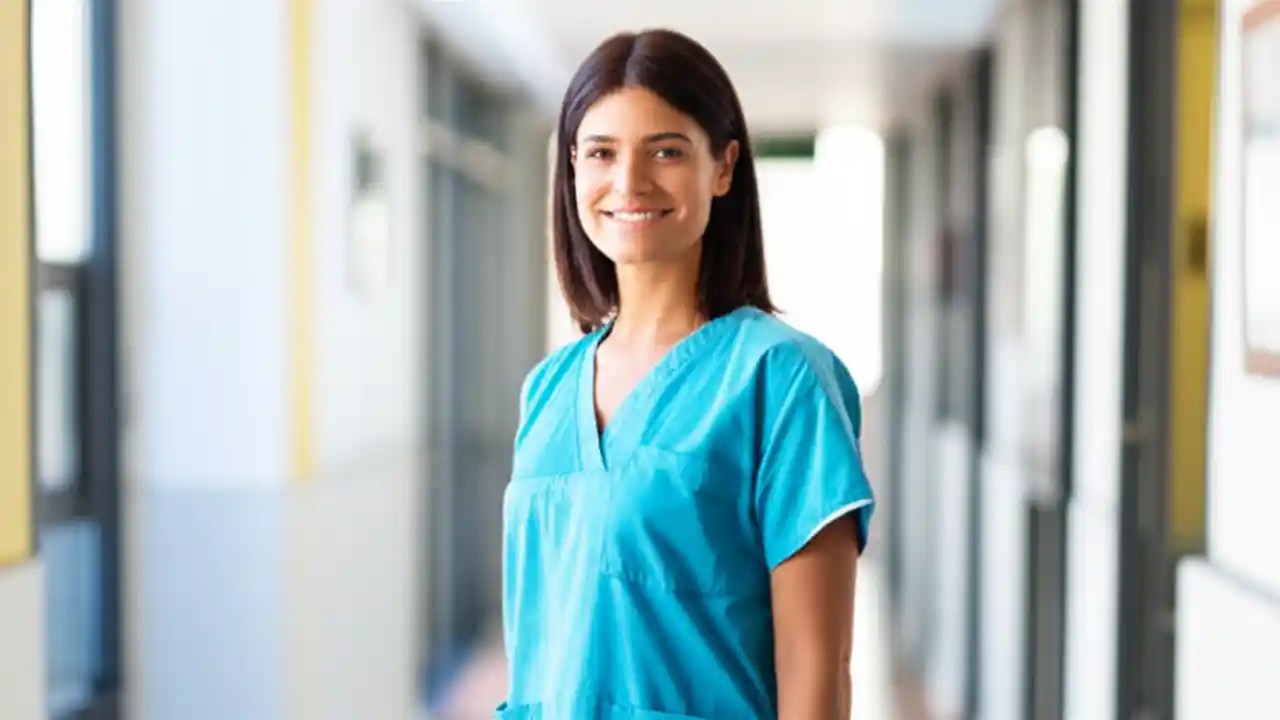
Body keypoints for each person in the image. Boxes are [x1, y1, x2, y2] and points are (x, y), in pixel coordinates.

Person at [496, 28, 875, 720]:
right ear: (573, 170)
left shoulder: (781, 380)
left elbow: (817, 673)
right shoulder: (547, 390)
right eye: (602, 153)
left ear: (723, 168)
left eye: (666, 151)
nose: (630, 183)